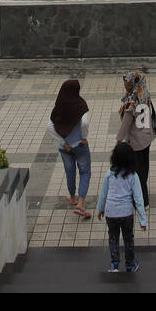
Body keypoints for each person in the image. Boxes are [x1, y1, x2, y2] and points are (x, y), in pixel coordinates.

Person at [95, 142, 147, 274]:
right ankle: (130, 265)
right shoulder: (133, 176)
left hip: (110, 212)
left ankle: (115, 265)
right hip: (126, 213)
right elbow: (139, 199)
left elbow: (103, 194)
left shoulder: (110, 174)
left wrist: (100, 209)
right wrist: (142, 220)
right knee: (128, 238)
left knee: (113, 237)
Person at [48, 79, 92, 218]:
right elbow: (84, 123)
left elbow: (50, 126)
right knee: (85, 172)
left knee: (69, 171)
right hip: (80, 145)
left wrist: (63, 143)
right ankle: (81, 202)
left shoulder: (58, 106)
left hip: (64, 148)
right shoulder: (80, 104)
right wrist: (83, 137)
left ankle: (72, 198)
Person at [116, 70, 155, 208]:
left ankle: (143, 201)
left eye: (127, 83)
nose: (125, 86)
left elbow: (127, 122)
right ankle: (143, 196)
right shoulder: (143, 92)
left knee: (137, 173)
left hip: (136, 141)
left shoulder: (133, 101)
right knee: (144, 168)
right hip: (146, 138)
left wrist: (119, 140)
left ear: (133, 82)